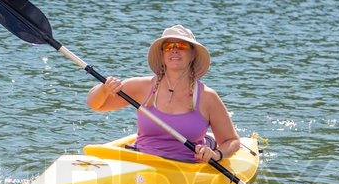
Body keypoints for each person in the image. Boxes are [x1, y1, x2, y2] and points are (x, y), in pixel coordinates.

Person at [86, 25, 239, 163]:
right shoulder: (143, 87)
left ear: (193, 54)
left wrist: (216, 154)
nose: (174, 49)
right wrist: (104, 89)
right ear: (162, 54)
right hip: (142, 161)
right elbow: (95, 104)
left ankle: (207, 143)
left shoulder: (207, 97)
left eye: (181, 45)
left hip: (185, 167)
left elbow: (232, 141)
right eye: (168, 46)